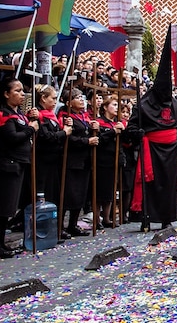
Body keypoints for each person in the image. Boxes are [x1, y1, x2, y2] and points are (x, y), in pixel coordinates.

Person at [127, 24, 177, 231]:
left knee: (169, 184)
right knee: (150, 183)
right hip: (151, 150)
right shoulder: (143, 105)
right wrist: (138, 133)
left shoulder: (176, 106)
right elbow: (132, 126)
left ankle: (166, 217)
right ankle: (146, 215)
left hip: (170, 152)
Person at [0, 78, 35, 259]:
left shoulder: (20, 114)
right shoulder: (2, 113)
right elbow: (12, 137)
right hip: (7, 163)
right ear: (6, 94)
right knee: (0, 206)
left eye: (23, 91)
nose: (22, 94)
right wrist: (31, 129)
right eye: (17, 91)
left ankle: (1, 243)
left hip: (20, 163)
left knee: (9, 207)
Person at [29, 84, 70, 230]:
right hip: (43, 159)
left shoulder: (51, 116)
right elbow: (46, 136)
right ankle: (42, 228)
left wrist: (65, 127)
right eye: (52, 98)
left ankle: (55, 228)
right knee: (42, 195)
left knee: (55, 194)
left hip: (54, 160)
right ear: (43, 98)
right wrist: (64, 133)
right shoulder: (38, 115)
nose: (54, 101)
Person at [61, 89, 98, 236]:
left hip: (85, 160)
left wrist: (96, 128)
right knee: (69, 193)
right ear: (69, 102)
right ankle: (61, 226)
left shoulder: (84, 116)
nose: (81, 100)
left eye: (82, 97)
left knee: (81, 193)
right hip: (72, 160)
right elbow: (68, 139)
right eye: (77, 98)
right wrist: (86, 141)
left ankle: (73, 224)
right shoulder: (66, 117)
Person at [93, 94, 125, 228]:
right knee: (99, 191)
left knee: (111, 191)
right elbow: (100, 139)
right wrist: (113, 131)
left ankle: (107, 218)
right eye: (114, 105)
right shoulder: (99, 122)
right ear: (105, 107)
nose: (117, 108)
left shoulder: (117, 123)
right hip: (102, 159)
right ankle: (97, 219)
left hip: (114, 159)